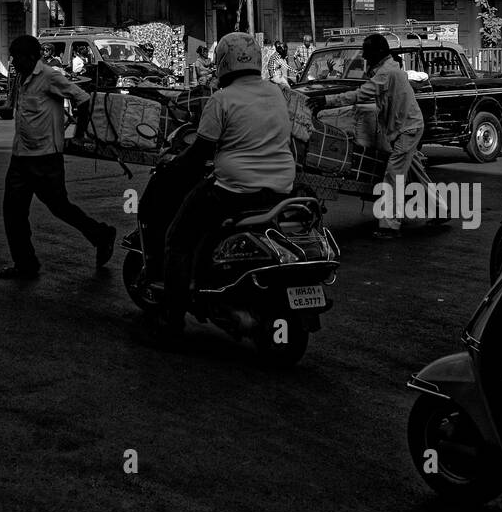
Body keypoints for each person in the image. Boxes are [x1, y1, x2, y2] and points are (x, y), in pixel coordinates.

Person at [158, 32, 296, 338]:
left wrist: (173, 164)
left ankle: (172, 321)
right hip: (281, 188)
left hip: (234, 190)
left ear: (222, 62)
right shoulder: (275, 94)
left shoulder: (222, 99)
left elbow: (199, 154)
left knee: (178, 239)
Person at [0, 34, 116, 280]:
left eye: (17, 57)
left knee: (60, 207)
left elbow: (83, 100)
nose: (14, 62)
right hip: (20, 157)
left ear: (31, 57)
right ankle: (25, 264)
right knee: (13, 212)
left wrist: (80, 135)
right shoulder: (22, 77)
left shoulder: (50, 76)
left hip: (45, 158)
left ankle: (101, 235)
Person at [321, 33, 428, 239]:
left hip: (407, 129)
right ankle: (441, 209)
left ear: (378, 53)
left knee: (393, 174)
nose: (366, 58)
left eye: (368, 54)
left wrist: (327, 101)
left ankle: (390, 225)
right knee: (414, 170)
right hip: (405, 127)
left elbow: (359, 94)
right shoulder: (387, 69)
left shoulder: (386, 73)